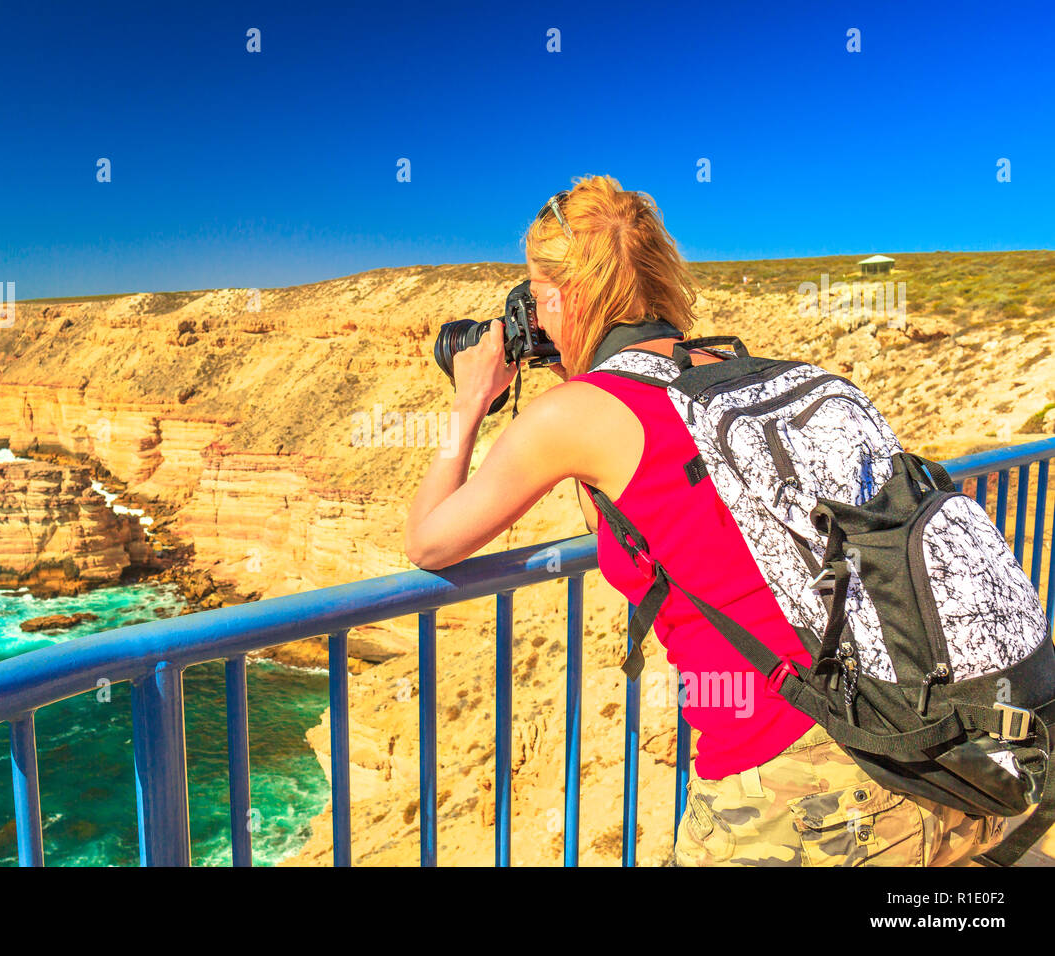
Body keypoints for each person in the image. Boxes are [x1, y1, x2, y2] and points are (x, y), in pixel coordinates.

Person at [403, 174, 1006, 866]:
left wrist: (470, 399)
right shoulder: (740, 371)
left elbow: (429, 539)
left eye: (536, 300)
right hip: (941, 757)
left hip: (800, 789)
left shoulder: (574, 415)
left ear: (553, 297)